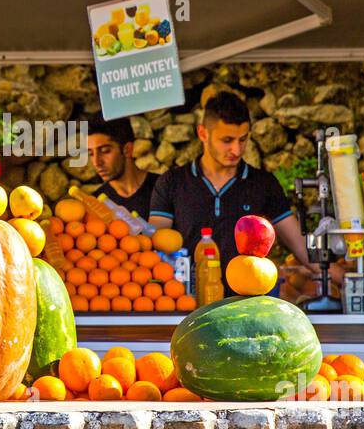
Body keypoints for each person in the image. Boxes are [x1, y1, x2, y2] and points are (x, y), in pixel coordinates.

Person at [148, 91, 323, 295]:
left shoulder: (263, 184)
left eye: (243, 139)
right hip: (188, 304)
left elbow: (301, 247)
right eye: (227, 140)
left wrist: (344, 278)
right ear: (203, 134)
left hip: (247, 305)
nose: (237, 150)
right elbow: (155, 248)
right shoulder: (172, 182)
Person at [84, 114, 159, 217]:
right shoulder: (96, 205)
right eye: (91, 154)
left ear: (127, 149)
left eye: (105, 151)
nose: (96, 162)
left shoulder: (164, 189)